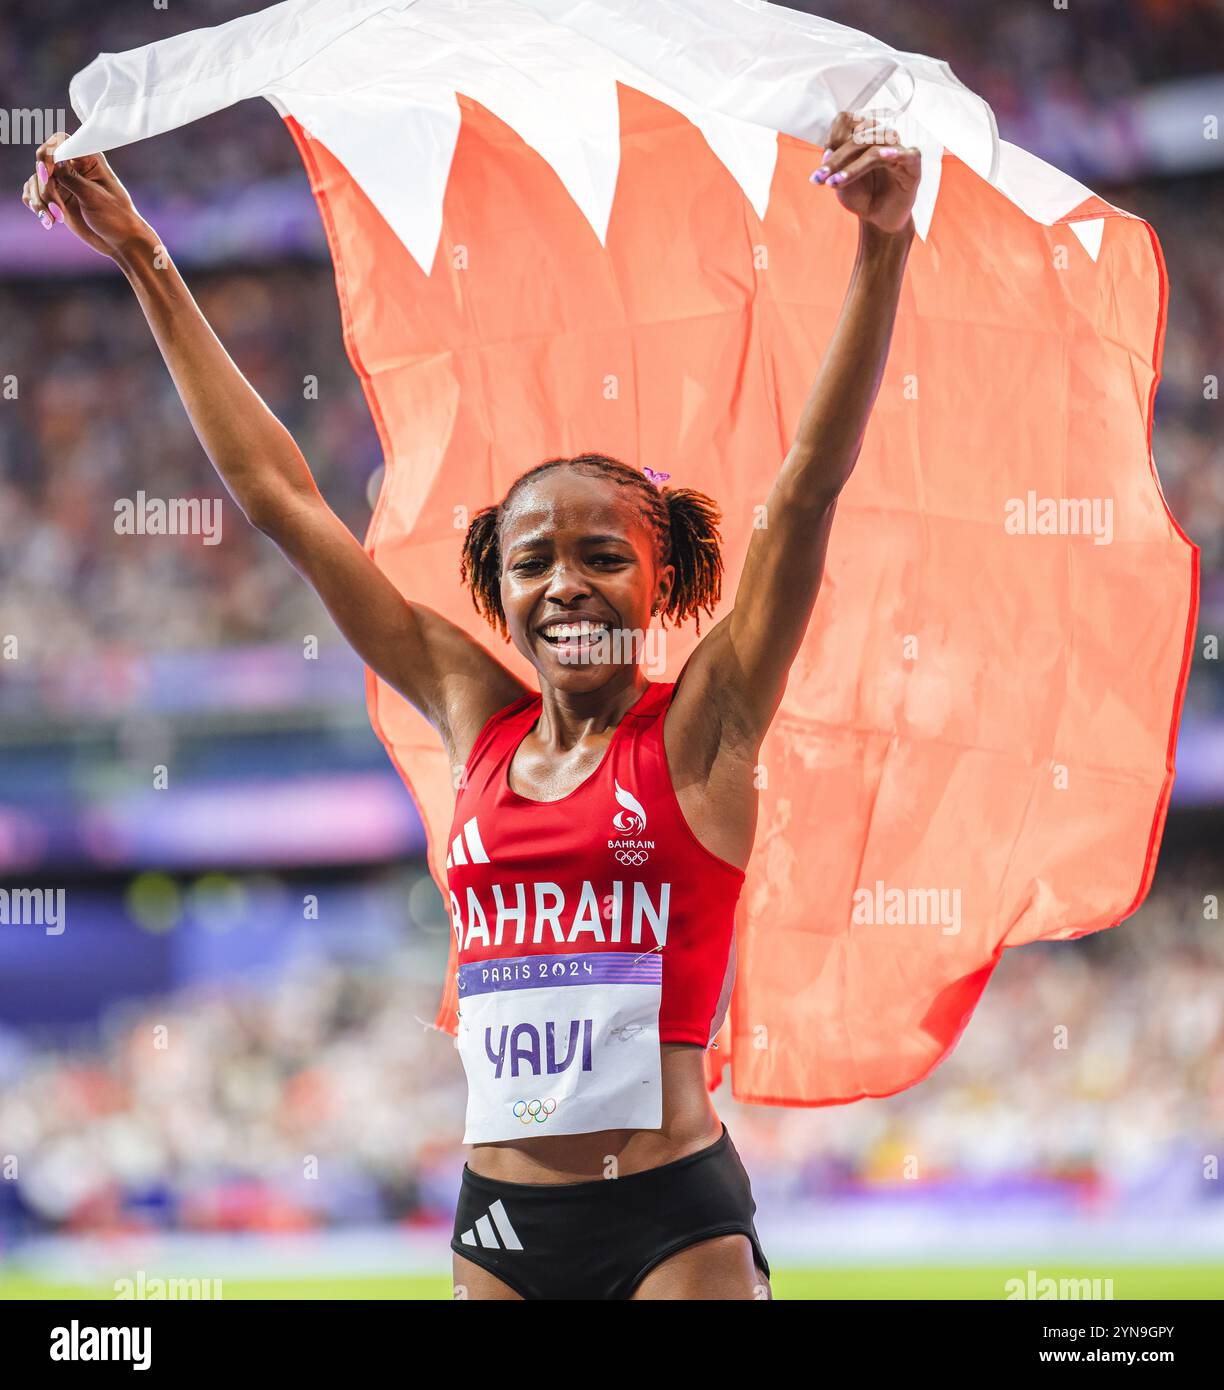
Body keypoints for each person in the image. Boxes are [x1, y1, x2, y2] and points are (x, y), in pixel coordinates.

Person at [23, 110, 920, 1300]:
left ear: (664, 578)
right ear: (499, 592)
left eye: (604, 553)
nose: (567, 583)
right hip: (498, 1220)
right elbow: (286, 503)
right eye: (534, 559)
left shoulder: (702, 729)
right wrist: (146, 258)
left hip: (672, 1219)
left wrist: (885, 246)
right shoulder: (472, 714)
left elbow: (806, 492)